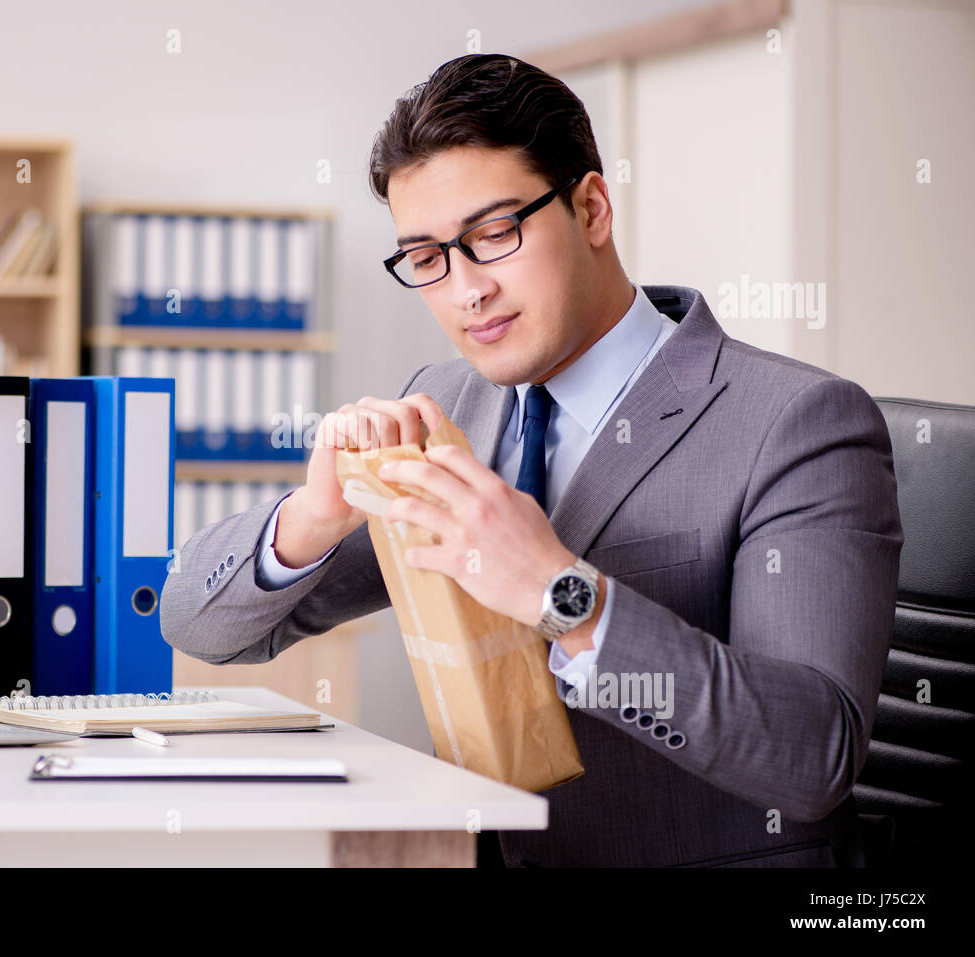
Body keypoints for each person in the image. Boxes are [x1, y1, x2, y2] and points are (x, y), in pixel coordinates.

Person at [159, 53, 903, 867]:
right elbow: (198, 625)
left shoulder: (794, 421)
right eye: (427, 257)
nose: (465, 290)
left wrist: (562, 595)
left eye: (493, 234)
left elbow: (813, 756)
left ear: (591, 208)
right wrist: (309, 521)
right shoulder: (443, 406)